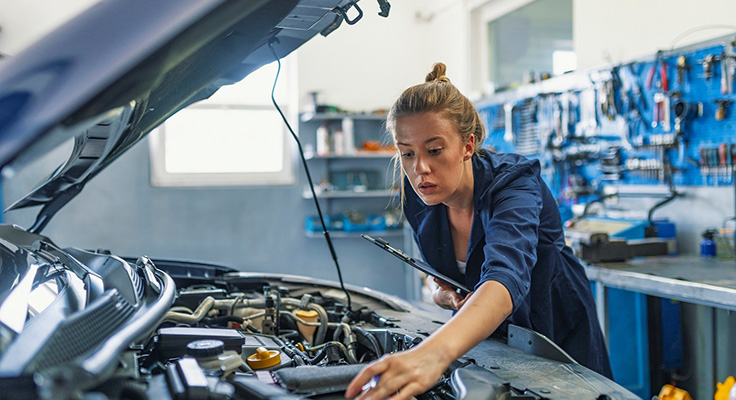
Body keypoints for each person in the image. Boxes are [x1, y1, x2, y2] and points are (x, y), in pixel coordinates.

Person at [345, 63, 612, 400]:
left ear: (468, 146)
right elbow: (436, 269)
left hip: (556, 338)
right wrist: (438, 293)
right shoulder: (419, 195)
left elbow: (504, 280)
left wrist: (432, 354)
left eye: (435, 150)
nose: (419, 168)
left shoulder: (515, 184)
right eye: (407, 153)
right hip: (487, 341)